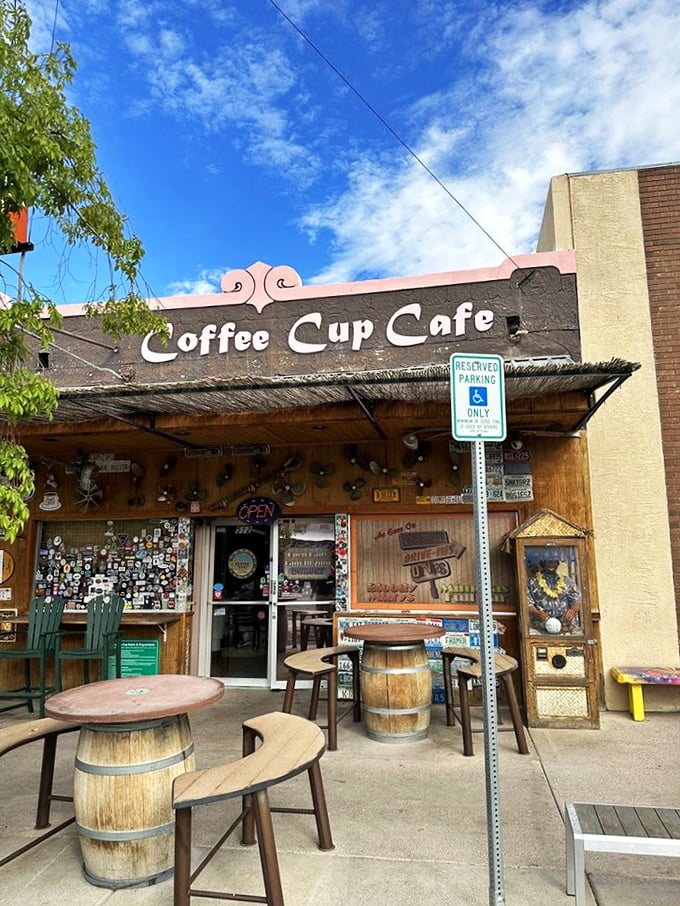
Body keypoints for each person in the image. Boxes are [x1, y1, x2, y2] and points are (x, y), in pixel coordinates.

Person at [527, 556, 582, 633]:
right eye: (548, 561)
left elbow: (577, 600)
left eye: (554, 561)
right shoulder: (532, 582)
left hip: (566, 626)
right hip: (541, 627)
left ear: (558, 563)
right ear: (542, 563)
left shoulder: (567, 581)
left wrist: (572, 610)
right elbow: (527, 603)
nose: (551, 563)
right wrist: (536, 613)